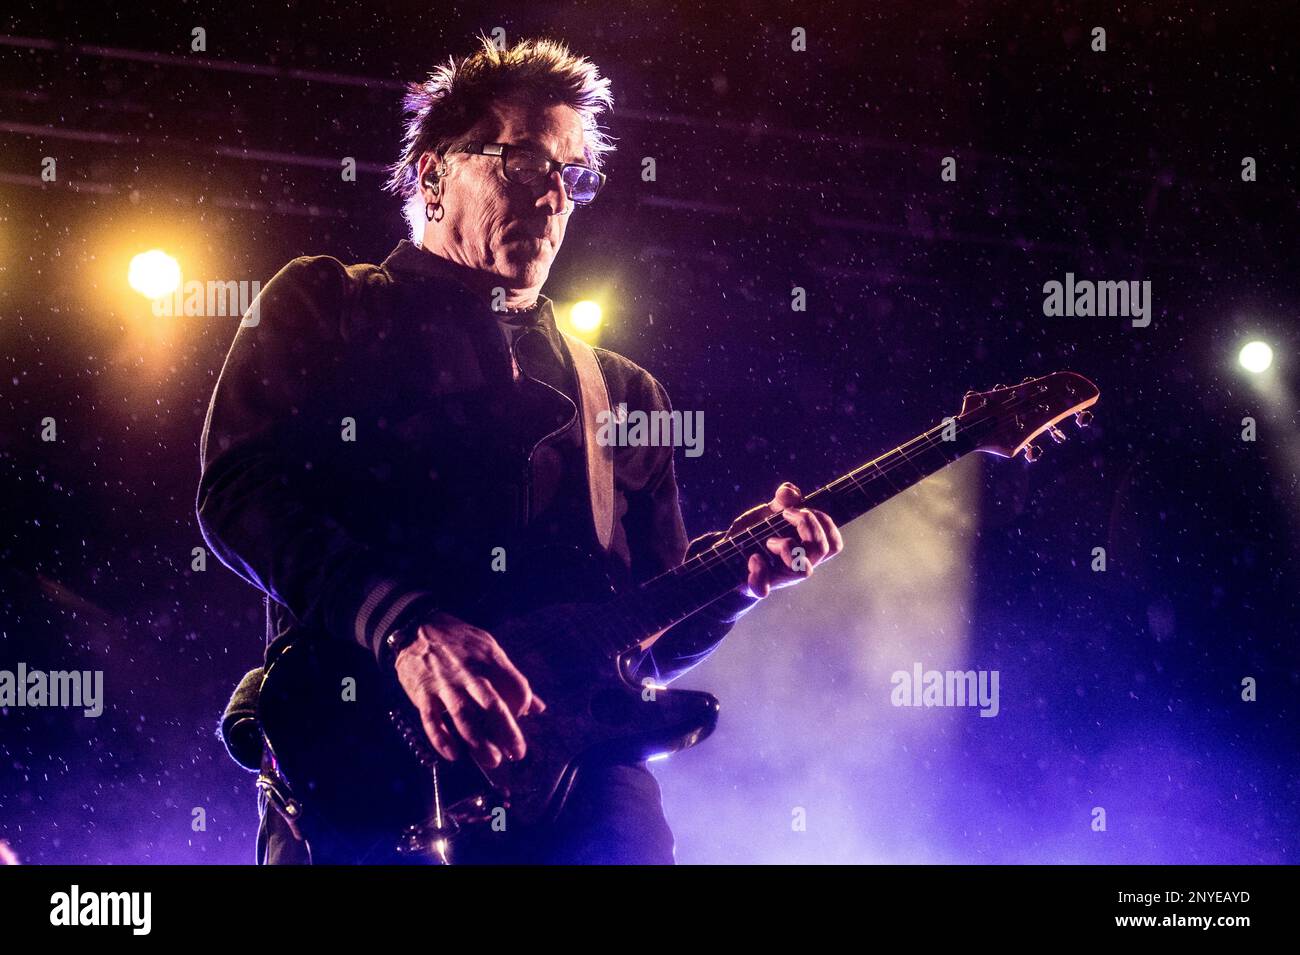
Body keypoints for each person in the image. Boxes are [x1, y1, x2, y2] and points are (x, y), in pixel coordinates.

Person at [197, 34, 843, 865]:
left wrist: (735, 582)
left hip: (583, 794)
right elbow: (239, 492)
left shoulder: (623, 391)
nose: (554, 198)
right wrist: (407, 627)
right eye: (526, 164)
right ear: (434, 173)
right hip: (355, 760)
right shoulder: (329, 305)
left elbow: (645, 636)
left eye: (572, 179)